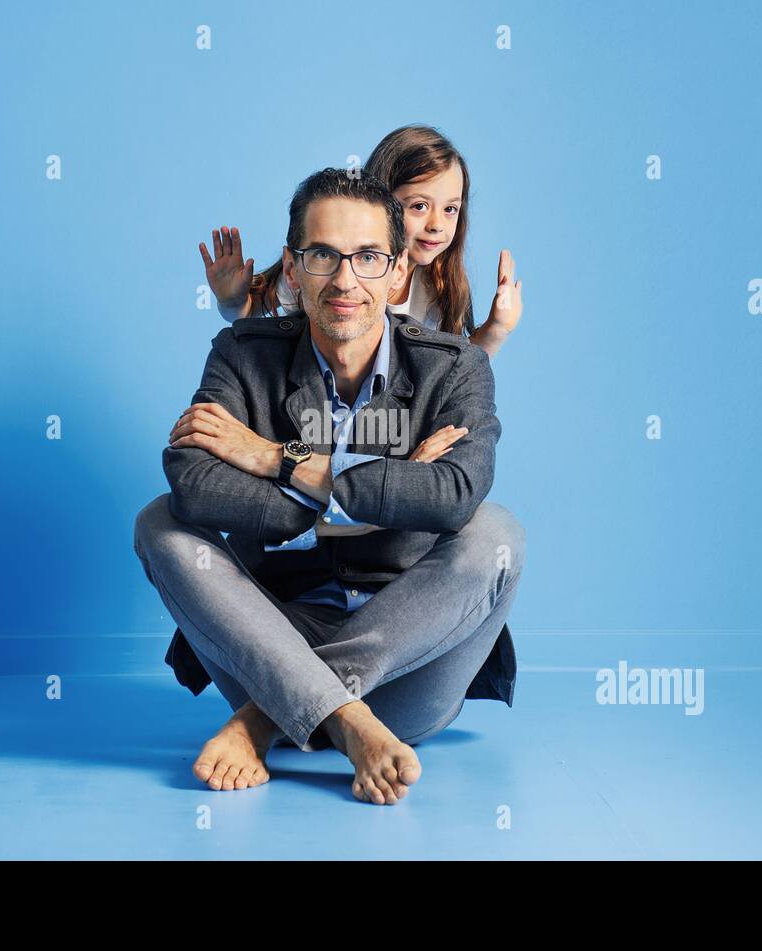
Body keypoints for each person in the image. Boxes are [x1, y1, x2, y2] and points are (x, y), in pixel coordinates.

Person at [135, 168, 525, 805]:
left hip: (408, 661)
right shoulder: (242, 353)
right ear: (292, 269)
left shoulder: (453, 368)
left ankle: (264, 719)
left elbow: (454, 495)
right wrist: (390, 492)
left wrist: (278, 459)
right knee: (160, 524)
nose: (346, 281)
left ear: (399, 272)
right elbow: (193, 485)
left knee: (496, 534)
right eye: (323, 256)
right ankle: (345, 724)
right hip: (271, 638)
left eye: (369, 257)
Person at [199, 125, 524, 358]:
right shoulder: (328, 275)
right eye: (419, 206)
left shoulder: (438, 287)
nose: (437, 224)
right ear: (377, 204)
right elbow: (247, 315)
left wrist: (496, 327)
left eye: (450, 209)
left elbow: (458, 371)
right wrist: (232, 301)